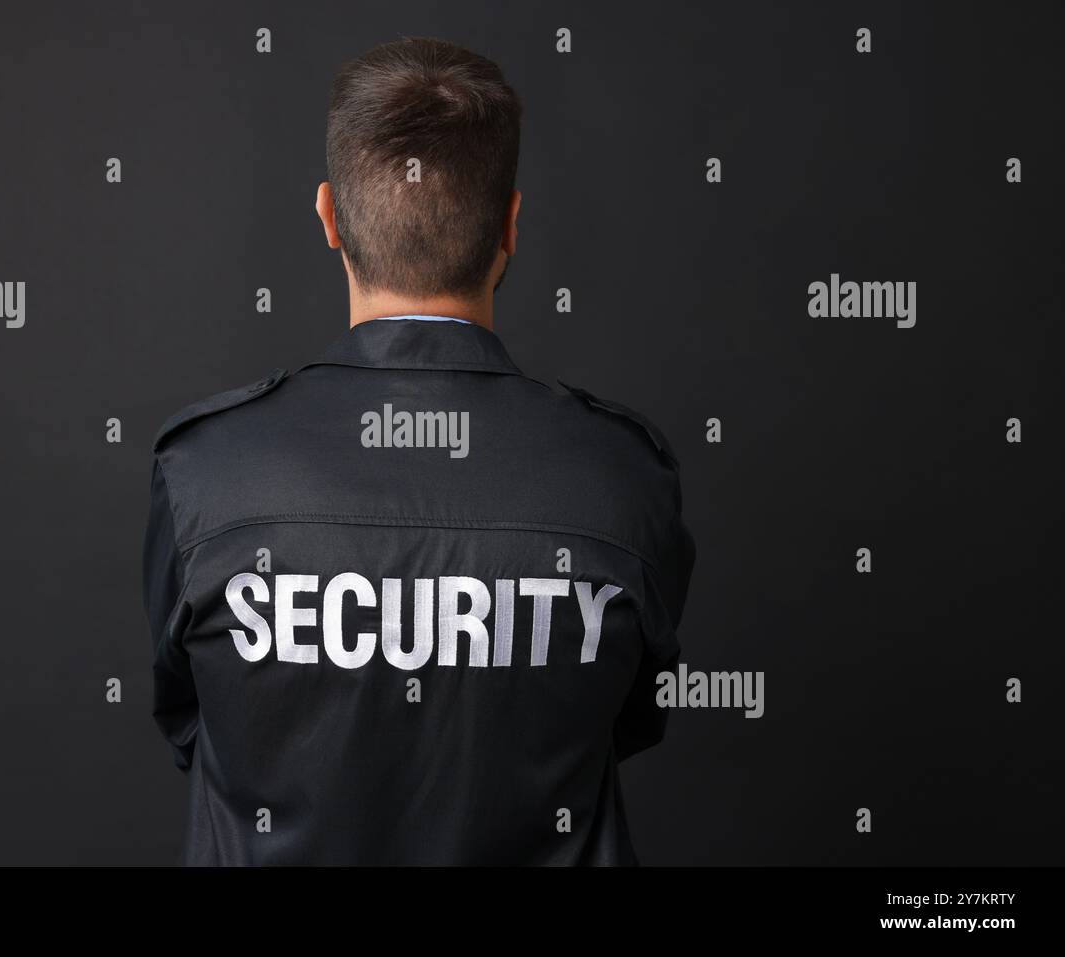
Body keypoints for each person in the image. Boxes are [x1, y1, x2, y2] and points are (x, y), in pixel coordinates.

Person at [142, 36, 695, 865]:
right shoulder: (623, 474)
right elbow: (627, 721)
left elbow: (189, 716)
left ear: (329, 216)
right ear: (510, 222)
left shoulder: (206, 469)